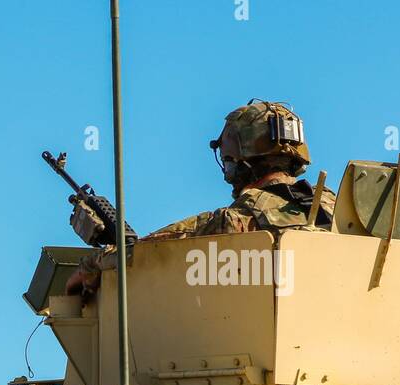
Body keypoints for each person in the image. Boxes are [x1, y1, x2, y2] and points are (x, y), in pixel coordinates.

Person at [67, 100, 336, 292]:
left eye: (227, 160)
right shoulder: (337, 208)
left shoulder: (231, 222)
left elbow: (143, 253)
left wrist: (90, 266)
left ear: (238, 161)